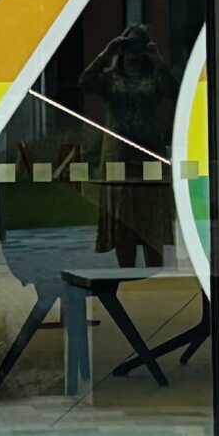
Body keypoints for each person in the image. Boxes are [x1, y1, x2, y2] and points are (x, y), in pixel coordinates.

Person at [79, 22, 176, 268]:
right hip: (118, 156)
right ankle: (127, 274)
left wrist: (158, 60)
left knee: (151, 217)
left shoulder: (153, 77)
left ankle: (155, 275)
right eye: (128, 47)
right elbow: (85, 82)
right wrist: (107, 53)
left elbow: (174, 91)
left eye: (138, 47)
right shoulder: (110, 78)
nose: (133, 54)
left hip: (149, 154)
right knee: (123, 219)